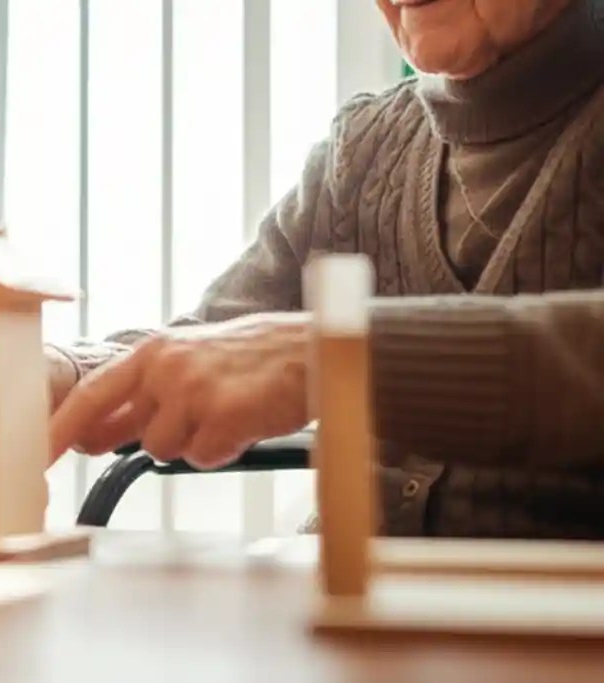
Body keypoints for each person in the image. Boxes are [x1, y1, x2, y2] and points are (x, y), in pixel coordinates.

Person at [48, 0, 604, 539]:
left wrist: (338, 357)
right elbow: (214, 344)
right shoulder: (363, 147)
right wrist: (71, 371)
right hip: (343, 592)